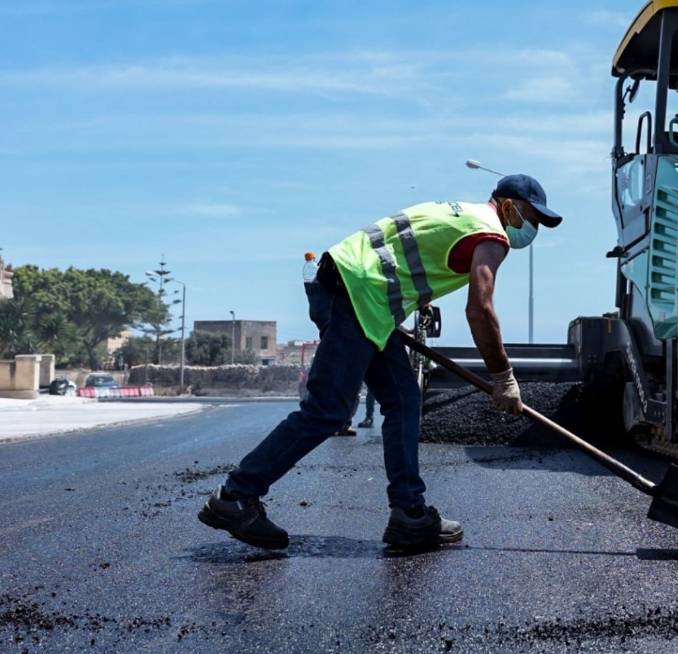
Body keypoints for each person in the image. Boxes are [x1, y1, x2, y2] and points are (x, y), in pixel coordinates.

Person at [198, 174, 562, 550]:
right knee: (328, 411)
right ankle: (235, 497)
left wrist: (412, 298)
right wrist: (503, 376)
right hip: (356, 297)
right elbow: (480, 309)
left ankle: (409, 514)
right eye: (530, 217)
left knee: (404, 400)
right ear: (506, 205)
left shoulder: (458, 212)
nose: (531, 228)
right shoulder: (492, 233)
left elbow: (406, 248)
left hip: (360, 296)